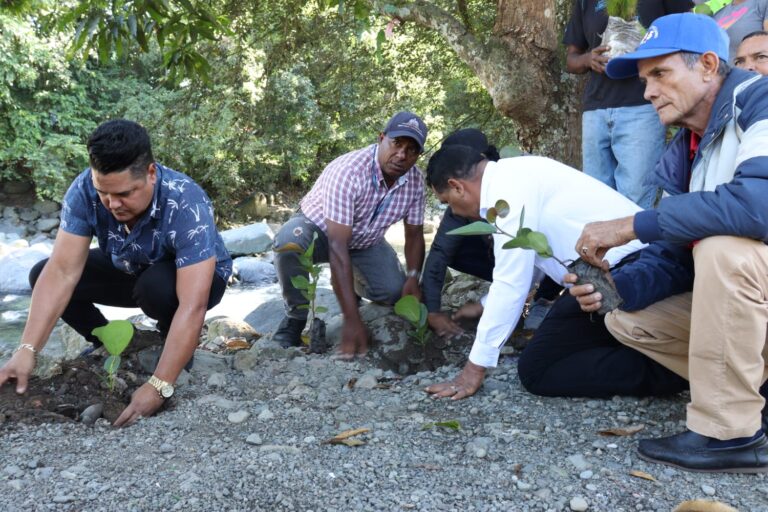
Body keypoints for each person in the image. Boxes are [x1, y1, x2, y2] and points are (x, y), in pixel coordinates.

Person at [570, 13, 768, 472]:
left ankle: (729, 435)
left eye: (660, 73)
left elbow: (758, 206)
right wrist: (615, 286)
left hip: (750, 271)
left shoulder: (757, 99)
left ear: (707, 65)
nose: (648, 91)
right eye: (644, 80)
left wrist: (633, 224)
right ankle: (752, 398)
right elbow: (677, 248)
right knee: (627, 320)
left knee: (725, 250)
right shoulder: (686, 146)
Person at [0, 119, 232, 427]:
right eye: (104, 194)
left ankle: (169, 343)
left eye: (124, 194)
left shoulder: (186, 200)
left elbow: (194, 304)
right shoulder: (84, 189)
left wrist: (159, 385)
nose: (113, 204)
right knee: (42, 272)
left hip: (193, 279)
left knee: (157, 287)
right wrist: (26, 349)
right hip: (129, 265)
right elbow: (61, 272)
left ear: (150, 173)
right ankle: (107, 343)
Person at [422, 146, 649, 401]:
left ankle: (667, 373)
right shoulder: (516, 172)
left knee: (538, 369)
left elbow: (511, 283)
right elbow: (529, 264)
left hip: (629, 269)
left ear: (457, 187)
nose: (453, 212)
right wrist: (484, 305)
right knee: (553, 348)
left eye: (446, 202)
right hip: (613, 271)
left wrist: (473, 370)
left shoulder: (504, 193)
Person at [272, 112, 427, 357]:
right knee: (288, 242)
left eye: (412, 150)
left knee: (395, 293)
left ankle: (352, 289)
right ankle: (294, 320)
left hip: (366, 241)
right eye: (397, 143)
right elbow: (337, 246)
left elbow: (415, 234)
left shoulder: (416, 182)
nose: (402, 155)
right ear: (381, 138)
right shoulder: (348, 172)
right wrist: (351, 320)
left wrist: (413, 277)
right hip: (319, 231)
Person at [563, 0, 690, 209]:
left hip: (643, 104)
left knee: (635, 199)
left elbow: (686, 34)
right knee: (594, 197)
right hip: (595, 109)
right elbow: (571, 59)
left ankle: (635, 243)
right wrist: (587, 59)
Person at [421, 129, 501, 338]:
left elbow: (522, 264)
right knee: (451, 247)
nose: (453, 209)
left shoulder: (512, 190)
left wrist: (486, 305)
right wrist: (432, 310)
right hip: (505, 265)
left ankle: (543, 300)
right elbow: (439, 253)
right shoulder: (459, 205)